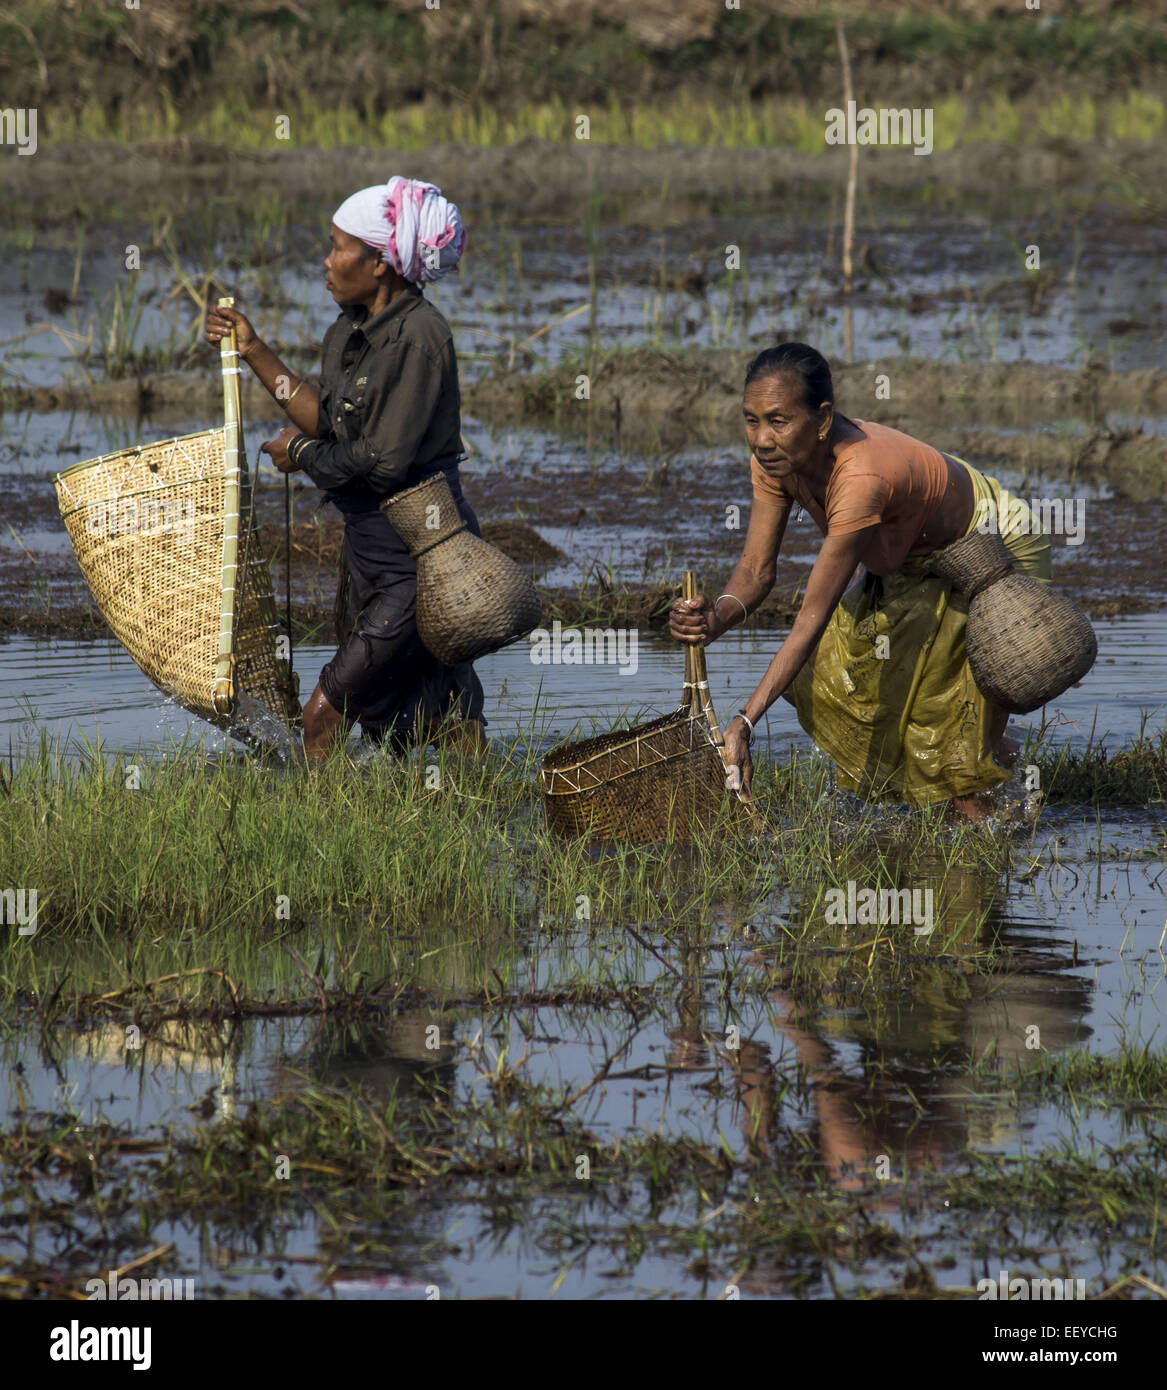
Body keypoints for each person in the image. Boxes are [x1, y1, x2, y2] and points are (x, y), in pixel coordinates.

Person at [669, 342, 1049, 819]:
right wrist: (714, 619)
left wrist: (744, 722)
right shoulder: (776, 462)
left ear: (823, 419)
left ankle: (990, 813)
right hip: (910, 561)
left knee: (957, 780)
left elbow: (812, 618)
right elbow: (755, 573)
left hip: (987, 548)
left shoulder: (860, 478)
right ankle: (995, 754)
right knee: (815, 679)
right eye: (752, 420)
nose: (762, 438)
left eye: (778, 420)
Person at [205, 175, 486, 760]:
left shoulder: (419, 337)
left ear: (380, 262)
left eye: (338, 248)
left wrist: (302, 456)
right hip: (372, 558)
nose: (326, 262)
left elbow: (382, 464)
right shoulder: (350, 330)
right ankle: (479, 811)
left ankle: (314, 836)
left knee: (323, 715)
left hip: (419, 563)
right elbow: (327, 420)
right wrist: (253, 349)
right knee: (445, 717)